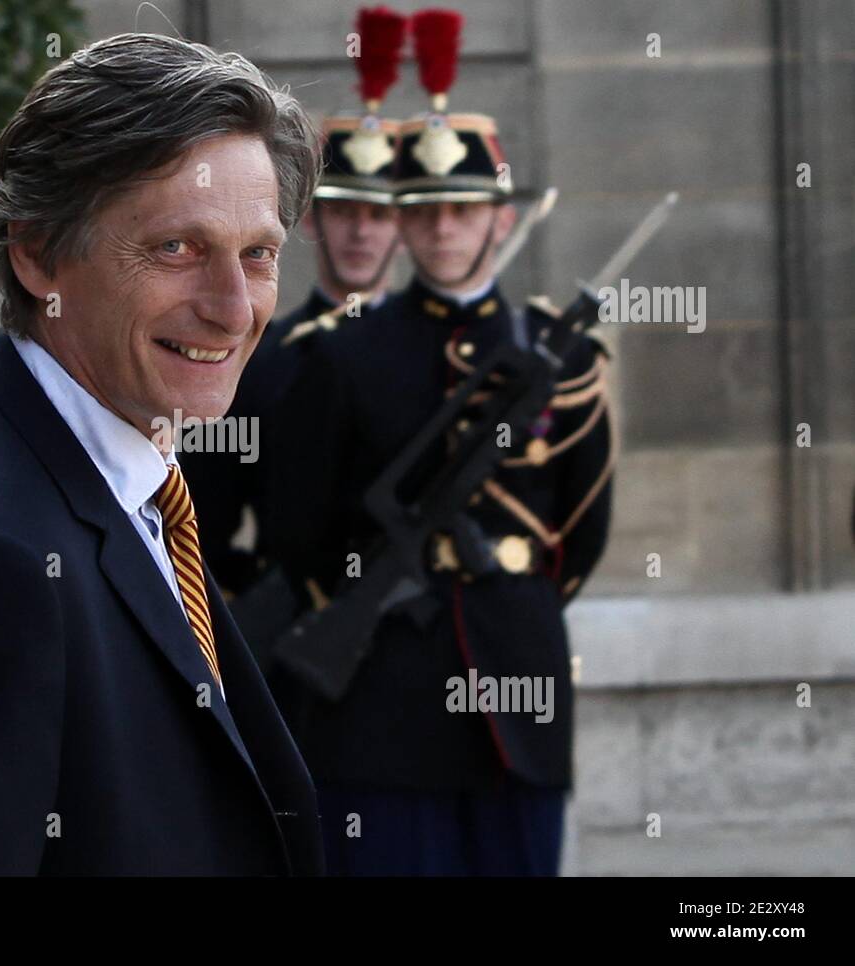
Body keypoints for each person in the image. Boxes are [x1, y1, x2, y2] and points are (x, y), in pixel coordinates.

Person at [0, 32, 326, 875]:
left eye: (257, 255)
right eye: (177, 248)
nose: (234, 309)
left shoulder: (100, 476)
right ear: (38, 253)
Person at [266, 8, 615, 876]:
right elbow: (297, 526)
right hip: (383, 696)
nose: (444, 229)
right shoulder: (344, 356)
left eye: (464, 210)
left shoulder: (560, 358)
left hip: (517, 686)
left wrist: (515, 600)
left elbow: (583, 527)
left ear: (500, 219)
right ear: (402, 222)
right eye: (424, 213)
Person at [181, 6, 407, 596]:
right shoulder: (258, 356)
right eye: (344, 212)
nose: (360, 233)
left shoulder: (434, 352)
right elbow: (205, 524)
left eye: (378, 215)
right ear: (310, 221)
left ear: (403, 226)